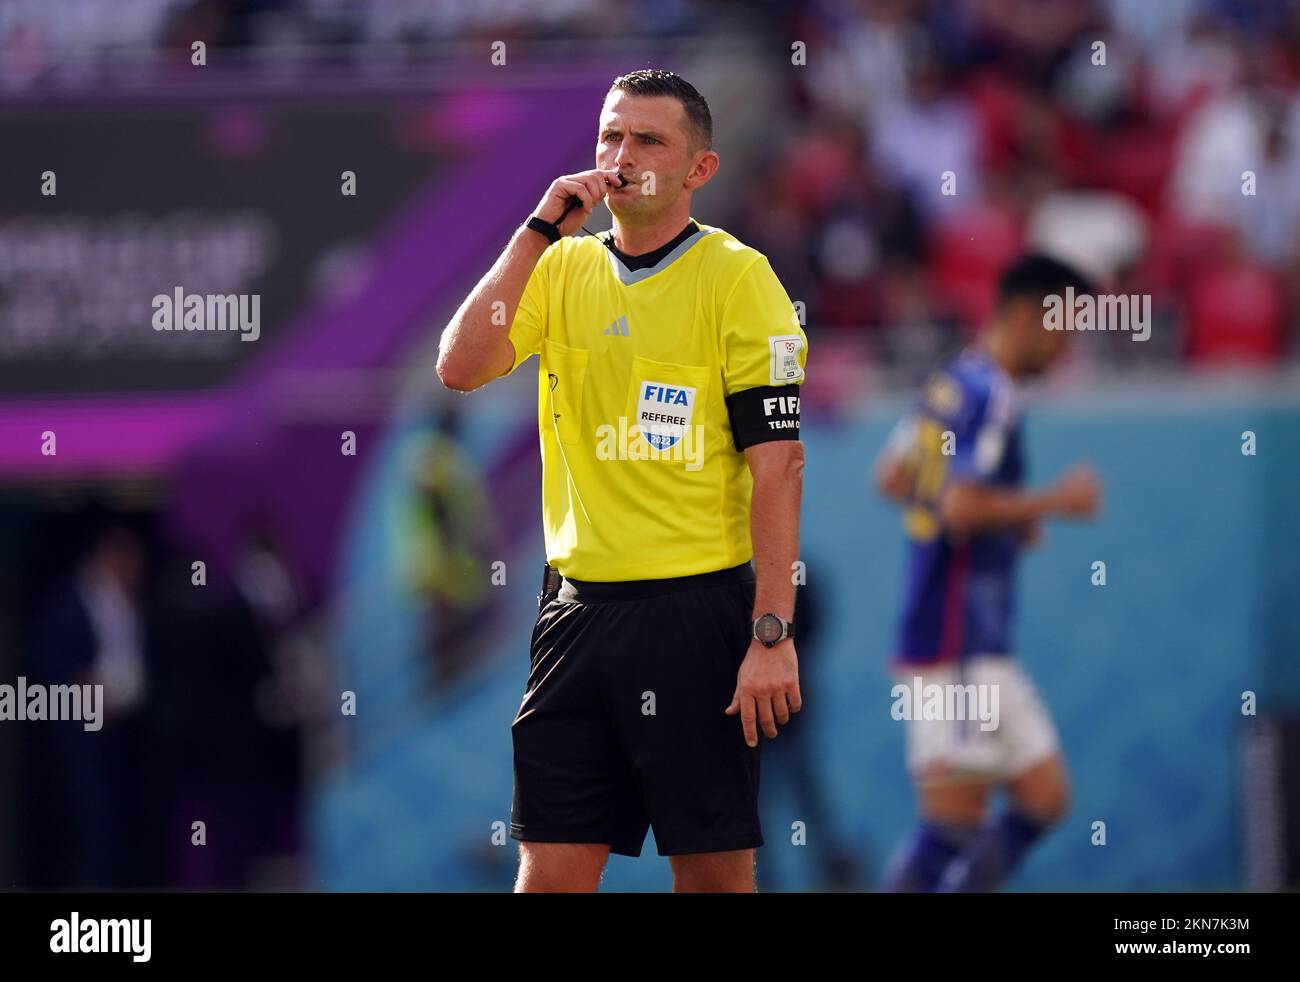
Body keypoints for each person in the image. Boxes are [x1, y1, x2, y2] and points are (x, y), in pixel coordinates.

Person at [437, 69, 808, 892]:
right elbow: (460, 366)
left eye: (648, 140)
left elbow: (777, 463)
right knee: (549, 873)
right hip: (573, 613)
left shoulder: (737, 277)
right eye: (610, 135)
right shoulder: (562, 267)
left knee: (713, 876)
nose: (621, 154)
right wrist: (536, 230)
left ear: (697, 170)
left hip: (695, 614)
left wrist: (770, 635)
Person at [873, 254, 1102, 892]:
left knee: (1045, 796)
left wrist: (1002, 517)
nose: (1068, 348)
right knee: (950, 829)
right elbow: (960, 505)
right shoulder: (993, 396)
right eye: (1066, 328)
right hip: (956, 642)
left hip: (969, 639)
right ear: (1027, 316)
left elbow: (892, 477)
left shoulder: (952, 384)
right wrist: (1053, 501)